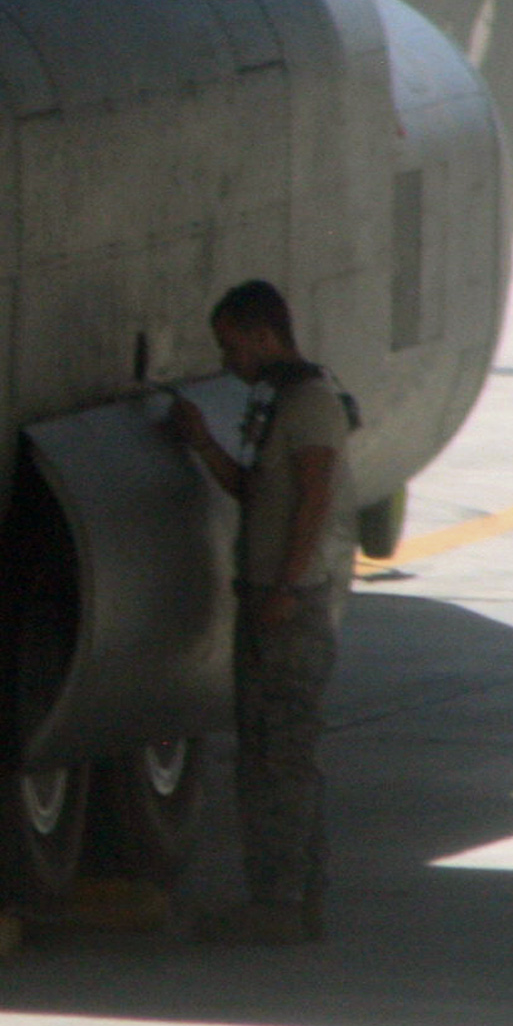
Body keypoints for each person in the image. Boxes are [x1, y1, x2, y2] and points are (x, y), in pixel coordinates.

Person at [168, 279, 356, 946]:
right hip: (274, 595)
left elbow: (314, 498)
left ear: (262, 335)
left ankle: (282, 899)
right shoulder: (275, 401)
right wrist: (201, 442)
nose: (229, 362)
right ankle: (289, 897)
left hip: (292, 604)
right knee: (269, 749)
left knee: (281, 753)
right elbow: (256, 491)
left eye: (232, 346)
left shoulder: (308, 402)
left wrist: (285, 585)